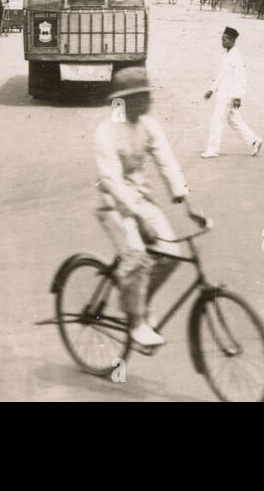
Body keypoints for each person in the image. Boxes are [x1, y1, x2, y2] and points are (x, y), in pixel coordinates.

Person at [94, 67, 204, 347]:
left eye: (148, 96)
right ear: (123, 100)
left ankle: (139, 302)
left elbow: (166, 160)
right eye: (141, 98)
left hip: (141, 201)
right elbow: (111, 180)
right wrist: (137, 218)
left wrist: (184, 199)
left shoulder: (148, 126)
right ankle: (136, 321)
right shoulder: (106, 132)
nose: (148, 103)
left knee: (170, 254)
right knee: (138, 257)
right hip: (114, 206)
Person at [201, 26, 263, 158]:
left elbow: (241, 78)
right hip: (223, 93)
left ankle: (212, 150)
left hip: (229, 95)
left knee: (216, 120)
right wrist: (212, 89)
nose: (222, 42)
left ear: (232, 41)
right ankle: (254, 140)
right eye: (222, 39)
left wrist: (238, 96)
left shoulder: (236, 57)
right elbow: (221, 74)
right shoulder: (226, 55)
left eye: (225, 40)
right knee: (233, 120)